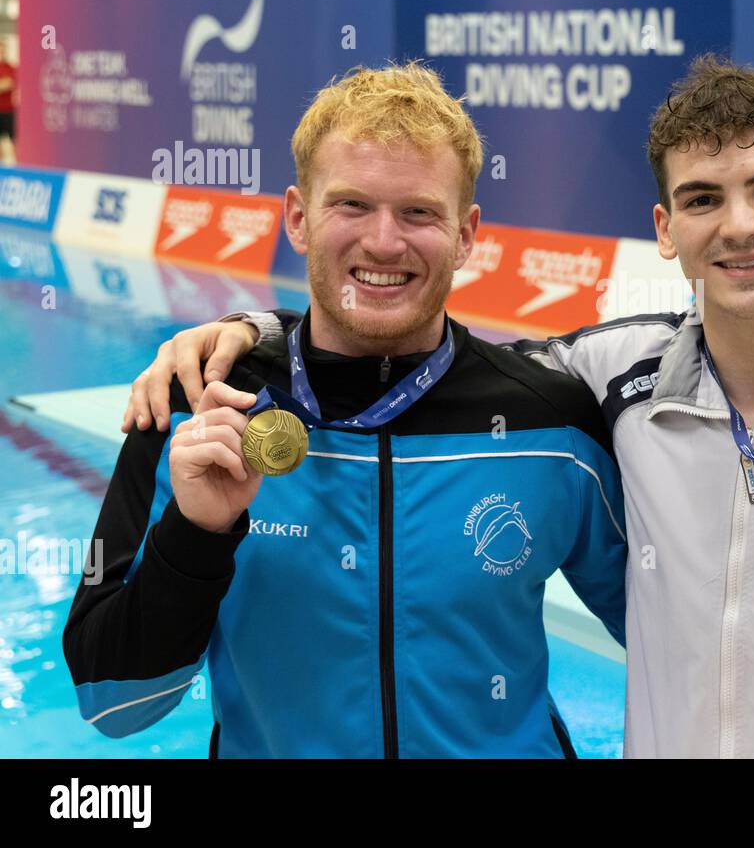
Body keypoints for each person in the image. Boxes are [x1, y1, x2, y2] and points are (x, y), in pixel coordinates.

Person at [125, 56, 754, 758]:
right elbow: (417, 357)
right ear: (663, 229)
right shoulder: (608, 380)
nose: (742, 223)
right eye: (702, 197)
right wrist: (258, 333)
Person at [65, 63, 627, 758]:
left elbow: (682, 643)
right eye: (352, 205)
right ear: (298, 217)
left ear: (467, 233)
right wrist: (196, 534)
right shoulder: (193, 407)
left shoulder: (551, 424)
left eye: (419, 211)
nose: (384, 242)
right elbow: (109, 703)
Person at [0, 43, 16, 164]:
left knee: (13, 140)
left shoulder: (10, 68)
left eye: (2, 51)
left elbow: (9, 84)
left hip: (7, 111)